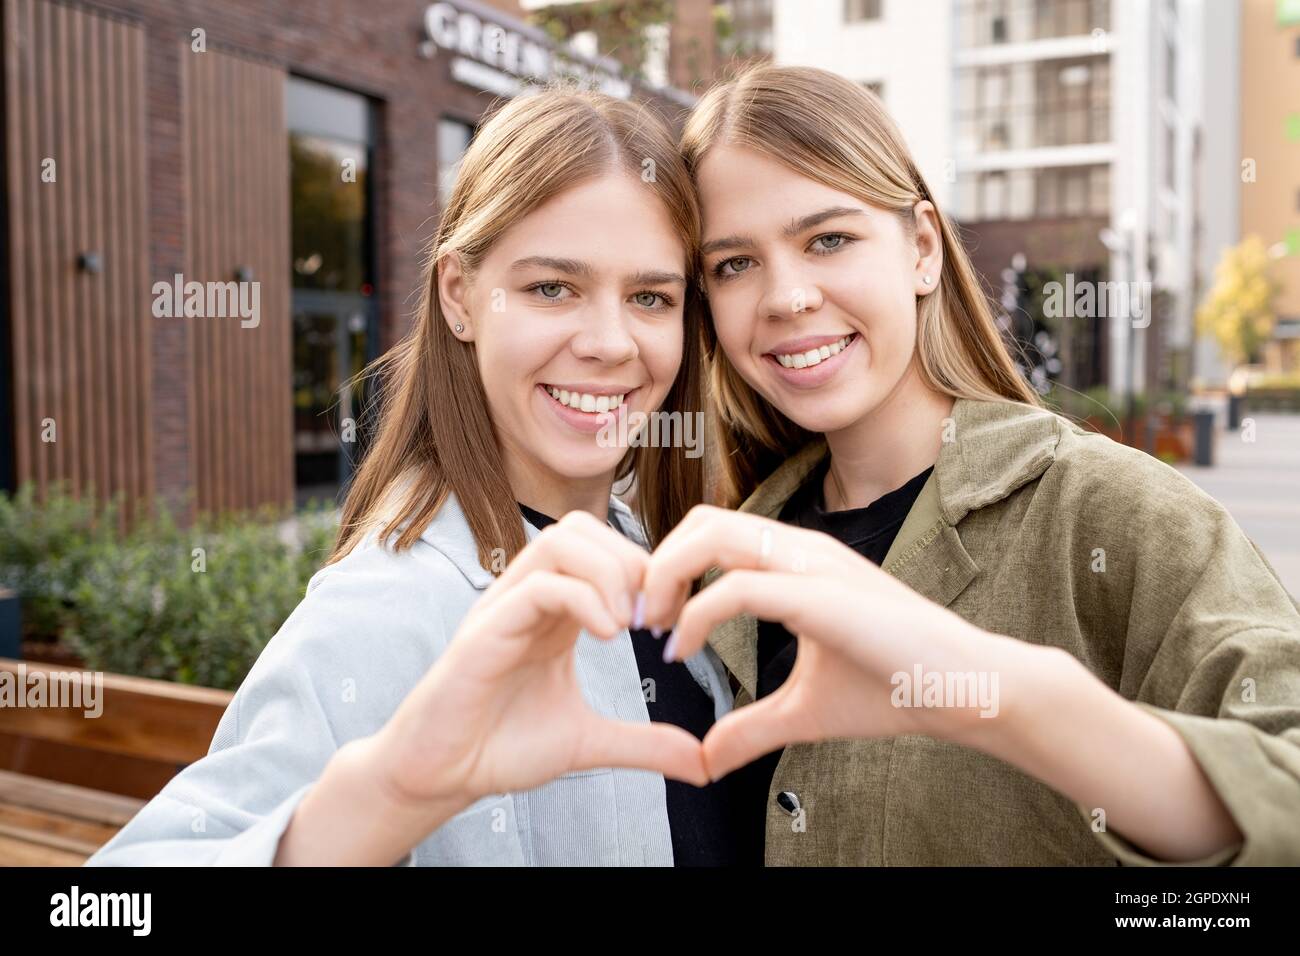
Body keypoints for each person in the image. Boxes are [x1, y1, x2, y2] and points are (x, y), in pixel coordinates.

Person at [640, 64, 1300, 866]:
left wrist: (1004, 696)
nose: (786, 296)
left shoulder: (1110, 512)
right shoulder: (721, 567)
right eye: (734, 264)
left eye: (829, 239)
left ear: (921, 247)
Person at [88, 88, 741, 867]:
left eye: (649, 297)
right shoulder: (392, 607)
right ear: (460, 295)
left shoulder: (655, 559)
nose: (609, 341)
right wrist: (389, 796)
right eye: (551, 288)